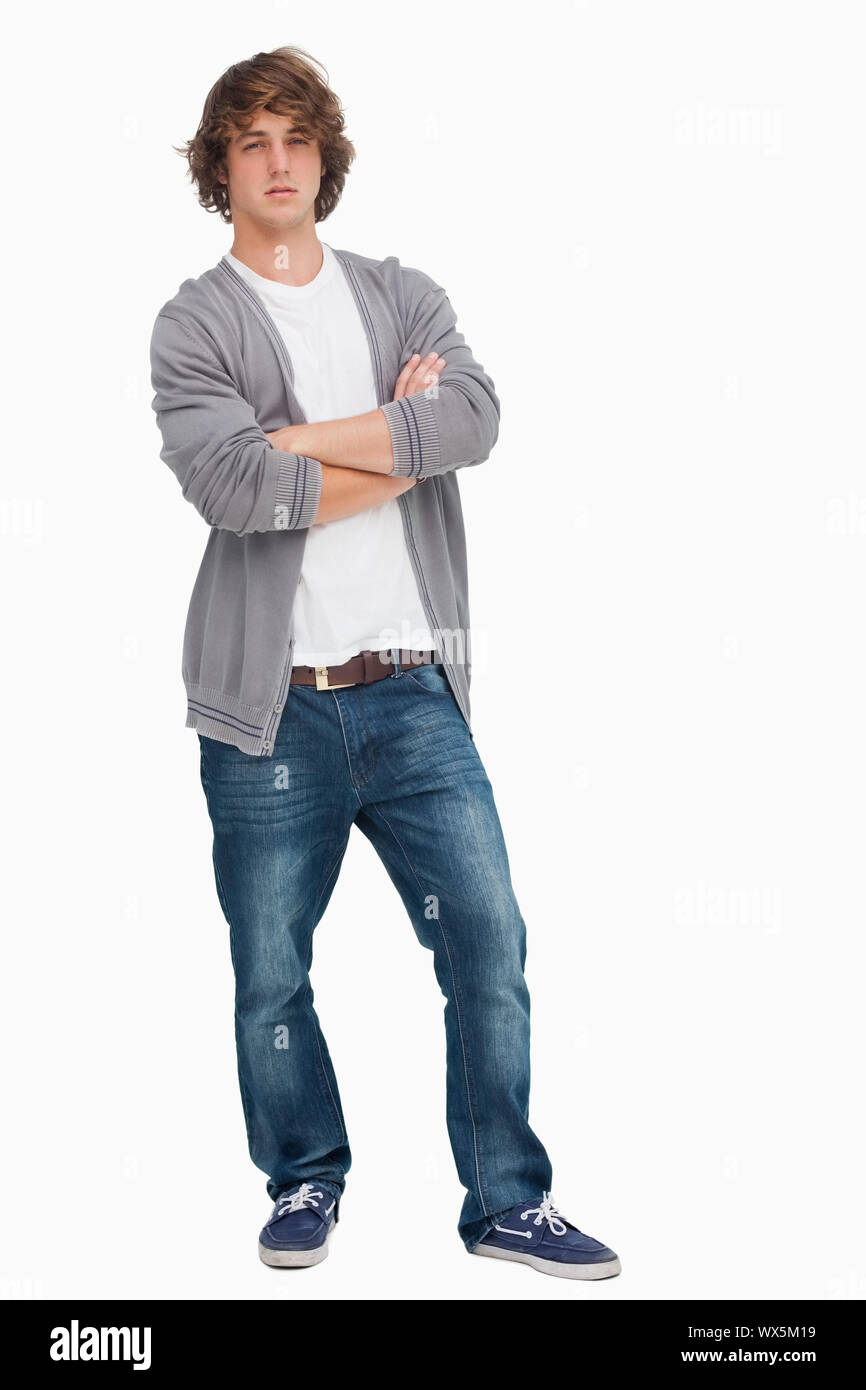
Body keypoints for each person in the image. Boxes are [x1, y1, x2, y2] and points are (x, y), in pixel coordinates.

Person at [149, 44, 621, 1282]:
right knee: (269, 973)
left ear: (325, 155)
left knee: (487, 942)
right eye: (249, 140)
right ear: (220, 168)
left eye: (295, 135)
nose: (277, 159)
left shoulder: (398, 291)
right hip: (270, 711)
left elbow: (474, 416)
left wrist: (320, 446)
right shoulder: (193, 322)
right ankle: (304, 1176)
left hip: (411, 688)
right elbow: (237, 485)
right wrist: (403, 445)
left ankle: (505, 1201)